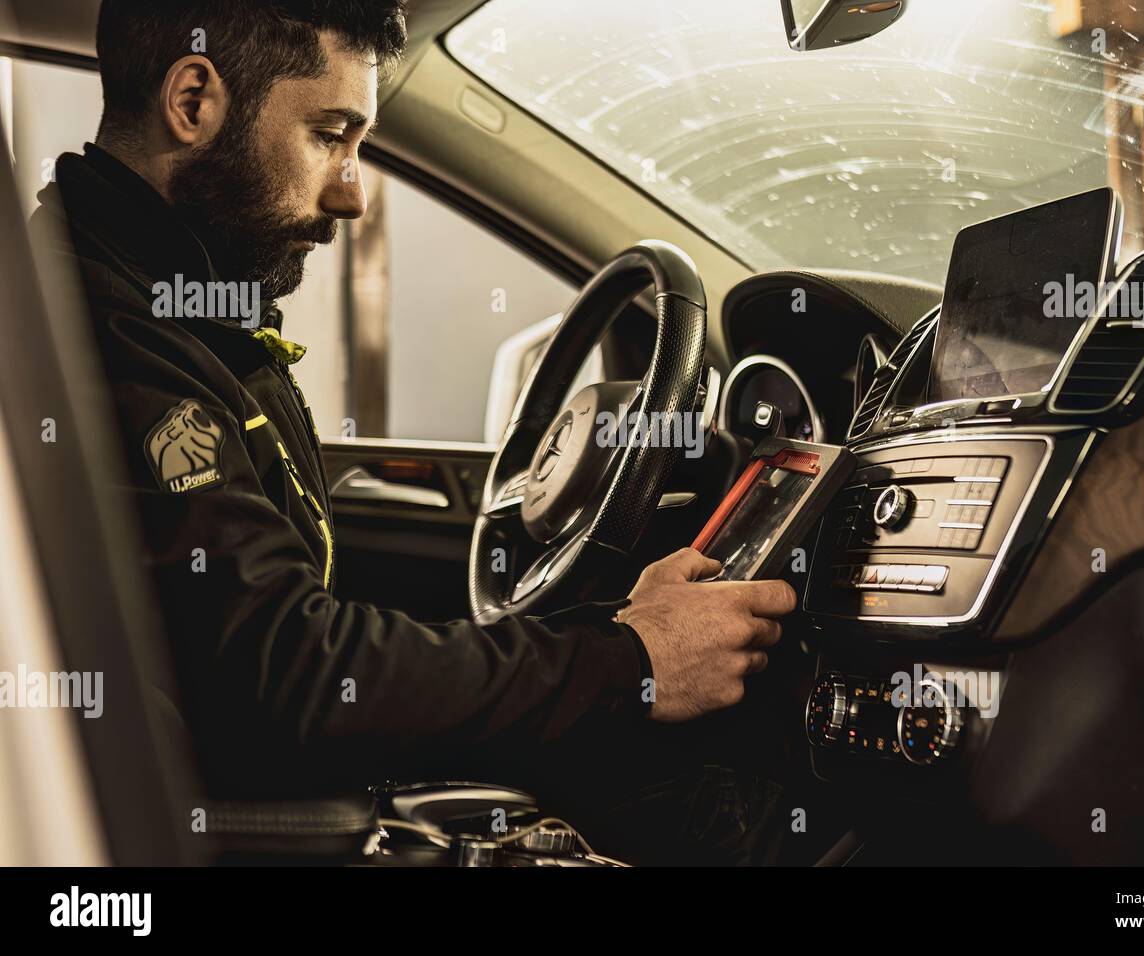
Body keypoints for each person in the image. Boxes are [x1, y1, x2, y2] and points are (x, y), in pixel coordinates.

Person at [29, 0, 796, 859]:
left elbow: (273, 618)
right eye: (331, 134)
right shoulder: (92, 330)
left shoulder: (173, 308)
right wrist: (630, 665)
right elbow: (284, 673)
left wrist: (611, 634)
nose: (352, 191)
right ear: (196, 101)